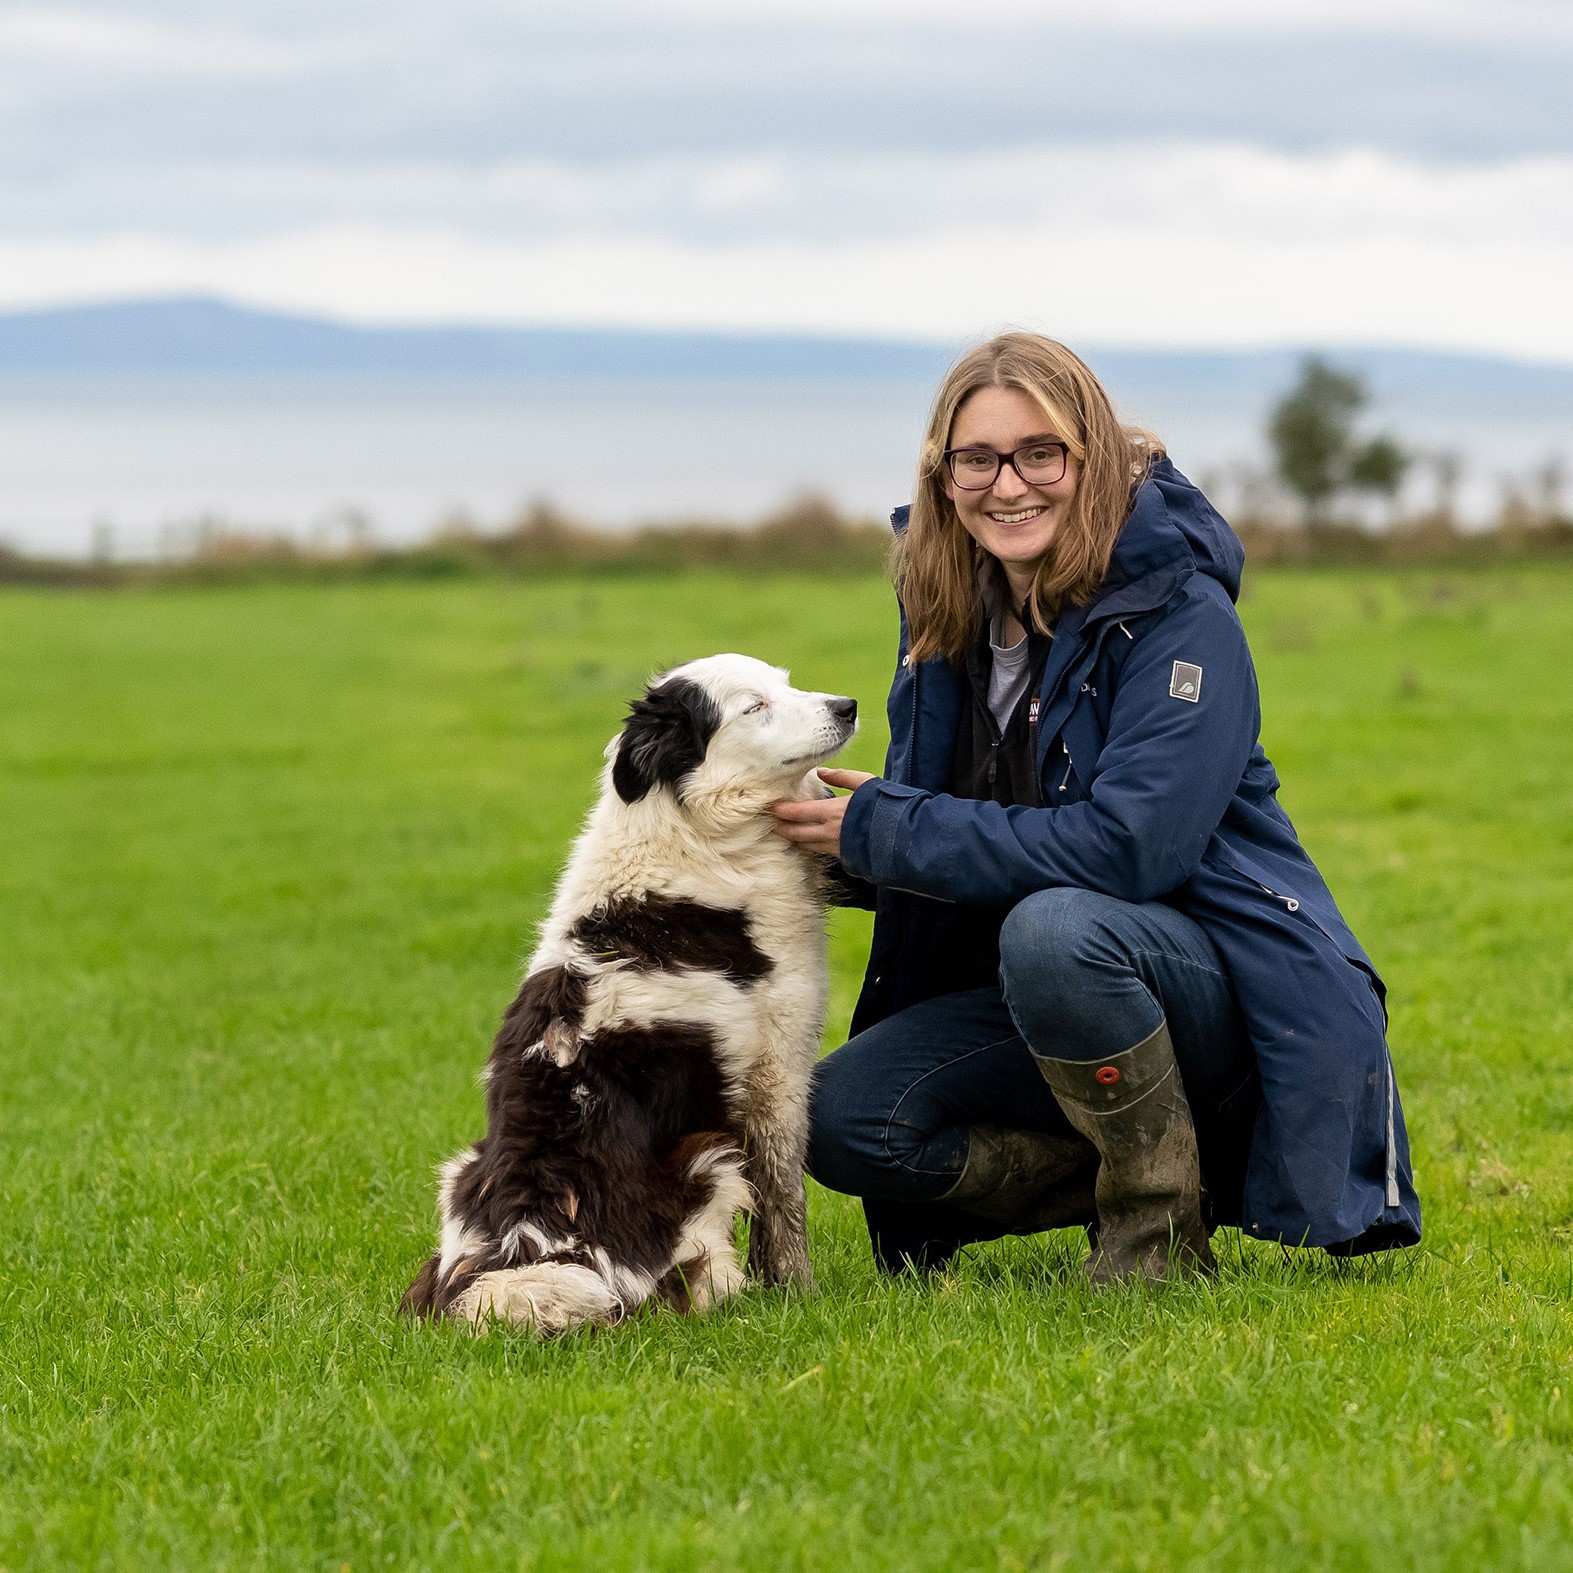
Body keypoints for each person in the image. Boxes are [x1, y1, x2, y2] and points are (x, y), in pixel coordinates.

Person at [770, 332, 1421, 1283]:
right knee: (843, 1119)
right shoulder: (948, 610)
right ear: (943, 474)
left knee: (1058, 929)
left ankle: (1152, 1233)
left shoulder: (1180, 612)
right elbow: (959, 837)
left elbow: (1131, 851)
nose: (1008, 485)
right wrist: (816, 850)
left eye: (1041, 454)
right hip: (1052, 991)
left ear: (1093, 457)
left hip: (1216, 994)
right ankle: (1140, 1162)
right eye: (978, 459)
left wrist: (889, 828)